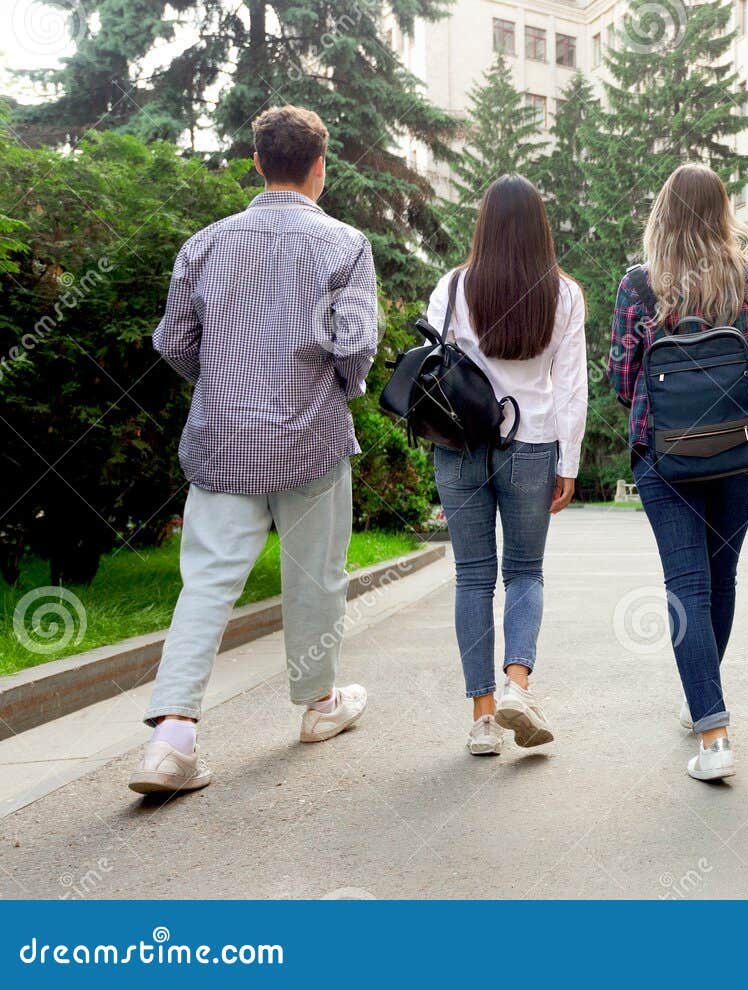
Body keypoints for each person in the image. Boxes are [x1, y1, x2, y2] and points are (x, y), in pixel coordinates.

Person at [134, 105, 377, 795]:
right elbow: (356, 343)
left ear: (258, 162)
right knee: (316, 577)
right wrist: (342, 387)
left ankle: (171, 738)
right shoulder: (345, 244)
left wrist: (221, 386)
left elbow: (174, 341)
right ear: (319, 168)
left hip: (223, 440)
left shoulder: (205, 244)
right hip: (313, 438)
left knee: (207, 582)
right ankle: (319, 705)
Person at [608, 163, 748, 782]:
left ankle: (712, 731)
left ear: (662, 213)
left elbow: (624, 382)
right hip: (739, 452)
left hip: (664, 453)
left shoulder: (638, 284)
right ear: (723, 212)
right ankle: (703, 701)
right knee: (720, 577)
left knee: (687, 585)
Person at [427, 175, 587, 757]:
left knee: (472, 578)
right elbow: (571, 388)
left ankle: (483, 720)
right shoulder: (563, 294)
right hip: (535, 443)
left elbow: (433, 366)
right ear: (541, 228)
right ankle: (518, 685)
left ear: (485, 224)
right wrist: (569, 462)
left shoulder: (452, 286)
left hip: (460, 445)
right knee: (524, 573)